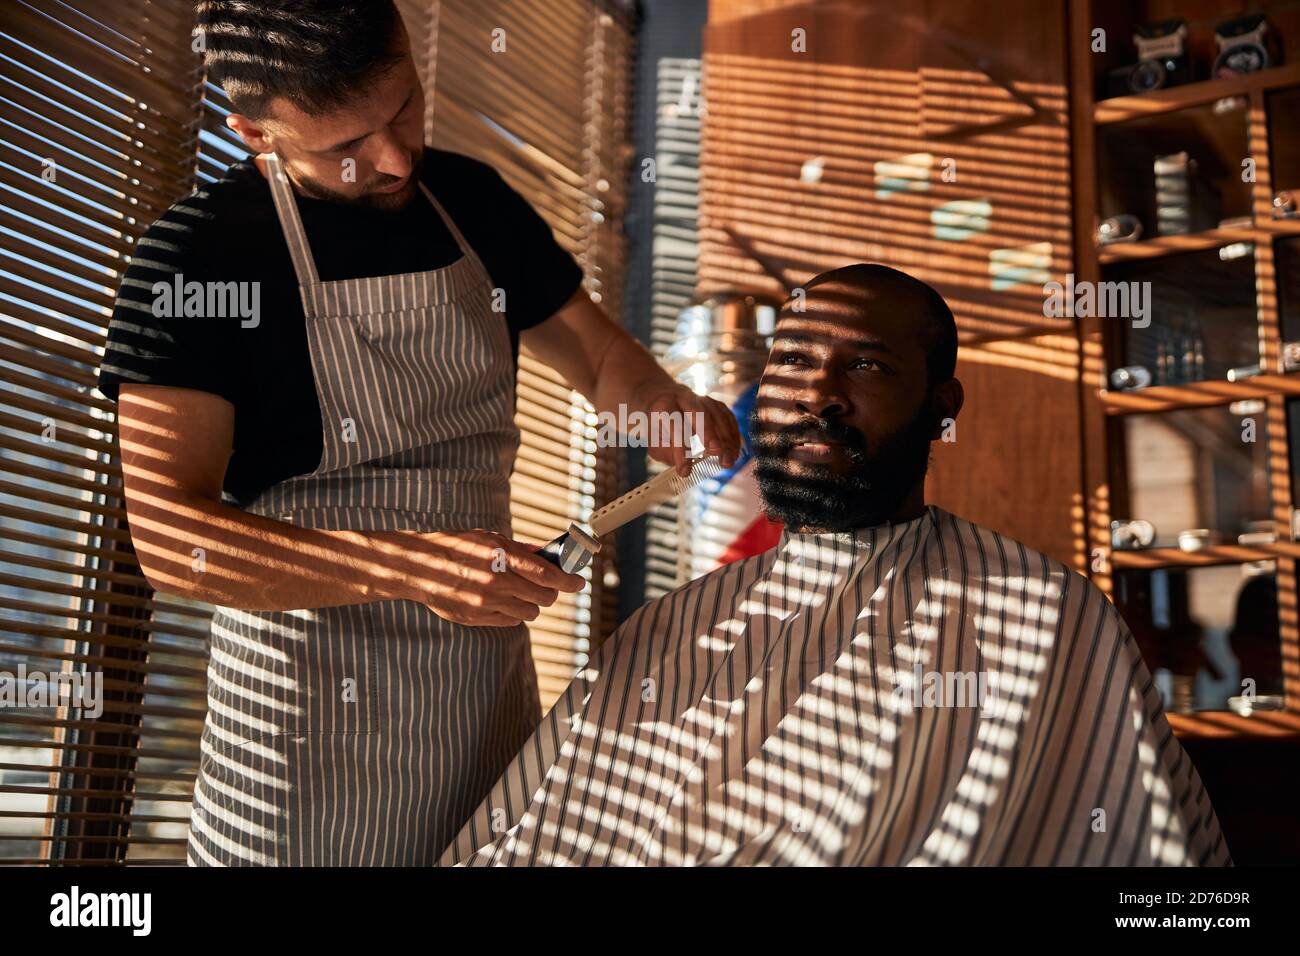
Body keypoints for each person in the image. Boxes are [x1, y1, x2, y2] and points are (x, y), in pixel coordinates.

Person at [96, 0, 741, 866]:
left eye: (403, 106)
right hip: (303, 740)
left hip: (484, 695)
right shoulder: (194, 262)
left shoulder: (470, 199)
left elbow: (599, 360)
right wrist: (407, 565)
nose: (395, 157)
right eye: (346, 147)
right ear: (254, 132)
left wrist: (669, 411)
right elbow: (174, 540)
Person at [440, 263, 1231, 866]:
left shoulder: (1043, 615)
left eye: (866, 366)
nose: (816, 394)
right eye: (789, 362)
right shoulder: (670, 628)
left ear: (941, 407)